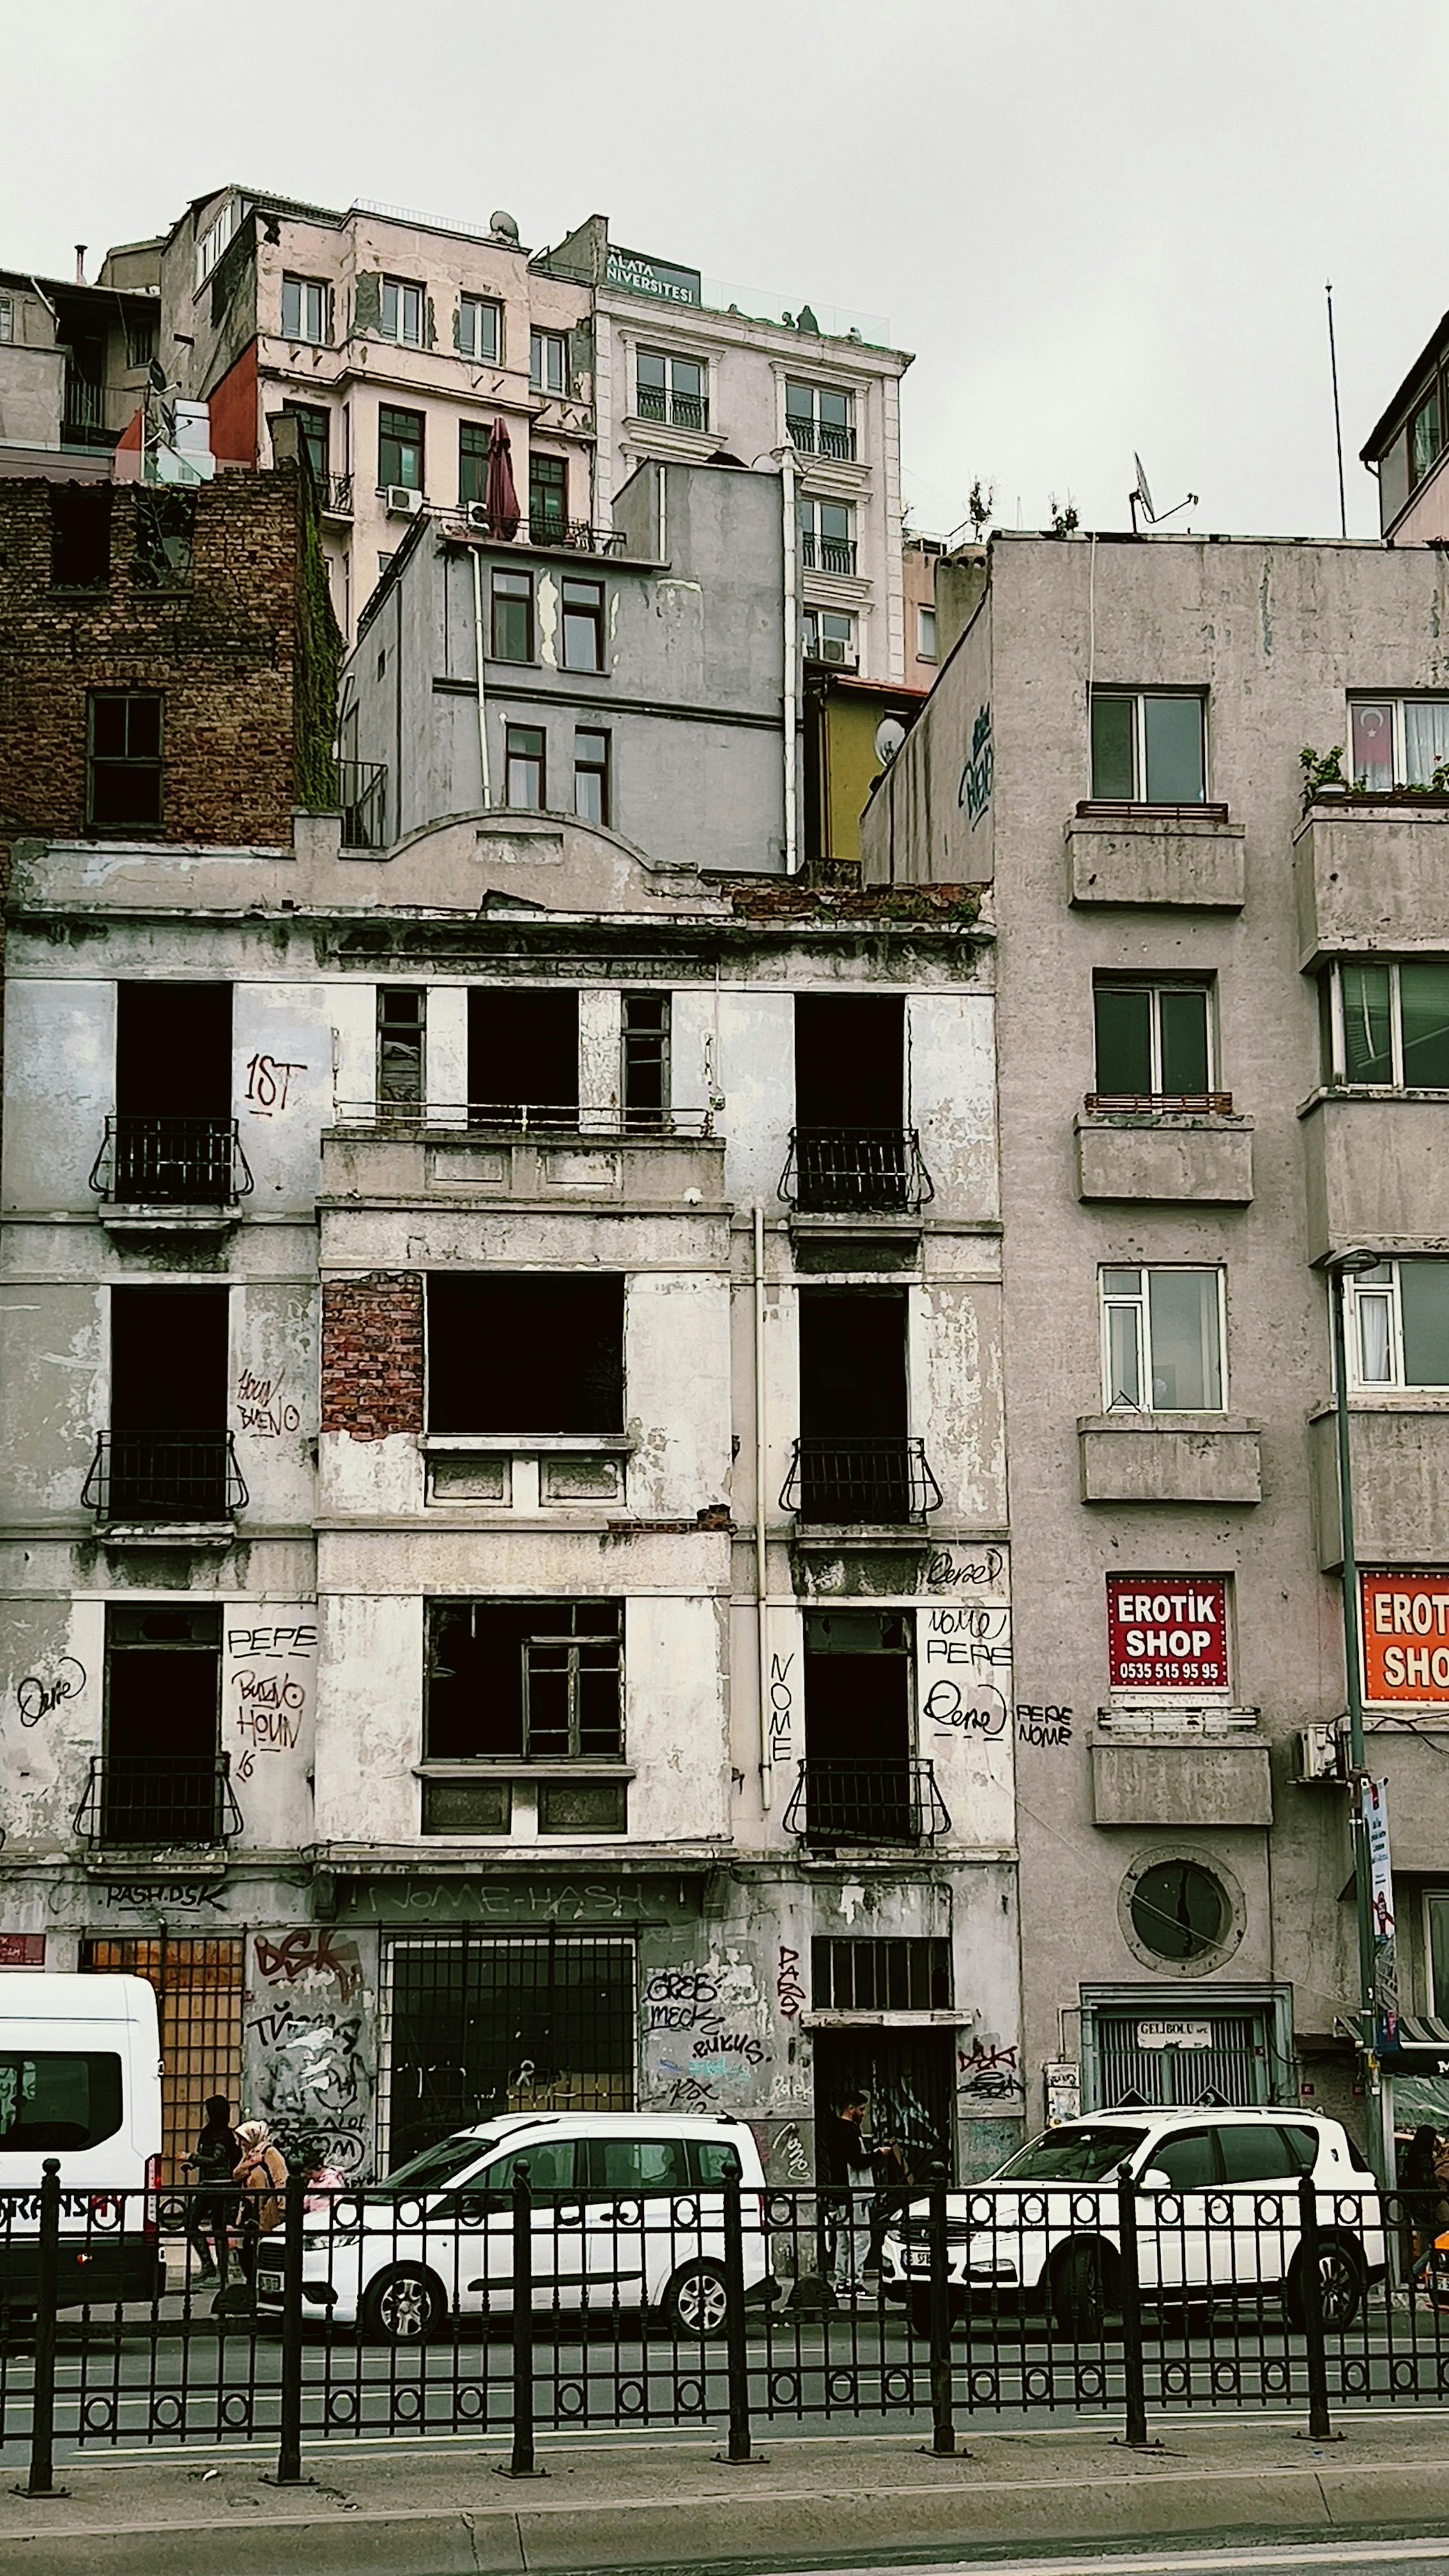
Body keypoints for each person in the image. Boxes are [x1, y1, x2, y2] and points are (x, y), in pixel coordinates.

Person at [180, 2096, 239, 2288]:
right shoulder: (208, 2133)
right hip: (208, 2184)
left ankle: (222, 2274)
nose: (205, 2115)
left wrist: (192, 2157)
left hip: (222, 2186)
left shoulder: (224, 2135)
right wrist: (194, 2163)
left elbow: (216, 2159)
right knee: (190, 2223)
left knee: (218, 2229)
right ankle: (208, 2266)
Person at [822, 2092, 875, 2296]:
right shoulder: (850, 2131)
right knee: (860, 2239)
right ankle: (855, 2282)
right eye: (861, 2109)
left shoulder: (834, 2130)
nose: (863, 2114)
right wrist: (879, 2153)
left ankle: (842, 2281)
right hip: (856, 2193)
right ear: (851, 2108)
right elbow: (857, 2161)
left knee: (843, 2240)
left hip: (841, 2192)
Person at [232, 2119, 289, 2292]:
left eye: (245, 2139)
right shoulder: (250, 2154)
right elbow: (236, 2174)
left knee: (260, 2244)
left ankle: (260, 2284)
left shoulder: (270, 2153)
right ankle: (251, 2282)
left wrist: (281, 2206)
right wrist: (249, 2163)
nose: (242, 2143)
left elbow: (280, 2179)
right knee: (244, 2246)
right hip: (249, 2206)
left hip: (267, 2207)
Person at [300, 2140, 346, 2214]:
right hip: (314, 2213)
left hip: (327, 2214)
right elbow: (307, 2199)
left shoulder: (331, 2178)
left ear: (319, 2168)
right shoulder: (312, 2182)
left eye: (311, 2173)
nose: (309, 2176)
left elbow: (337, 2198)